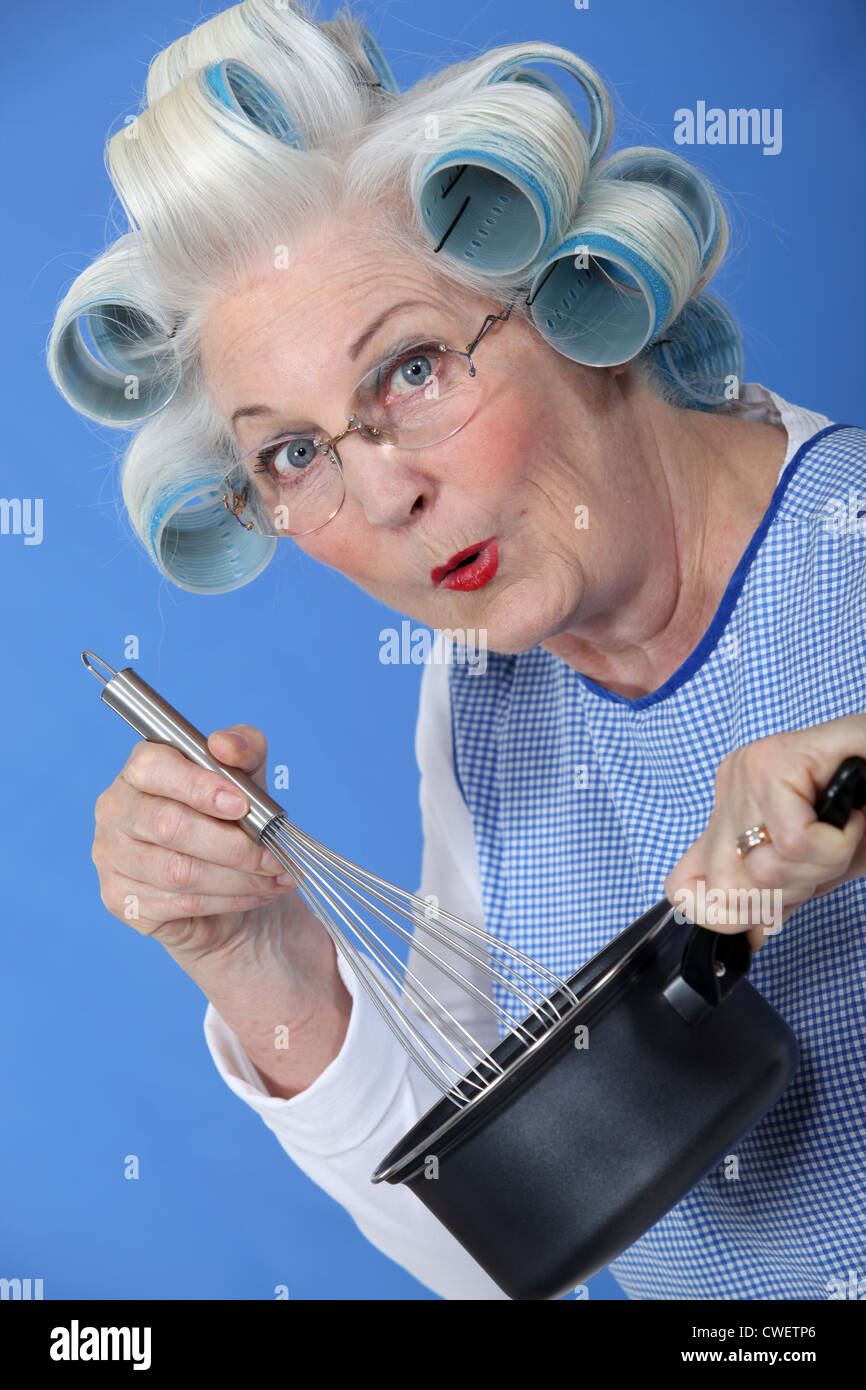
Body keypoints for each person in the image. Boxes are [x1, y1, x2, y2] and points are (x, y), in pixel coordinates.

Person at [49, 0, 865, 1299]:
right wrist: (271, 978)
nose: (380, 500)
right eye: (294, 453)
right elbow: (513, 1226)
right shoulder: (481, 706)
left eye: (413, 369)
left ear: (571, 290)